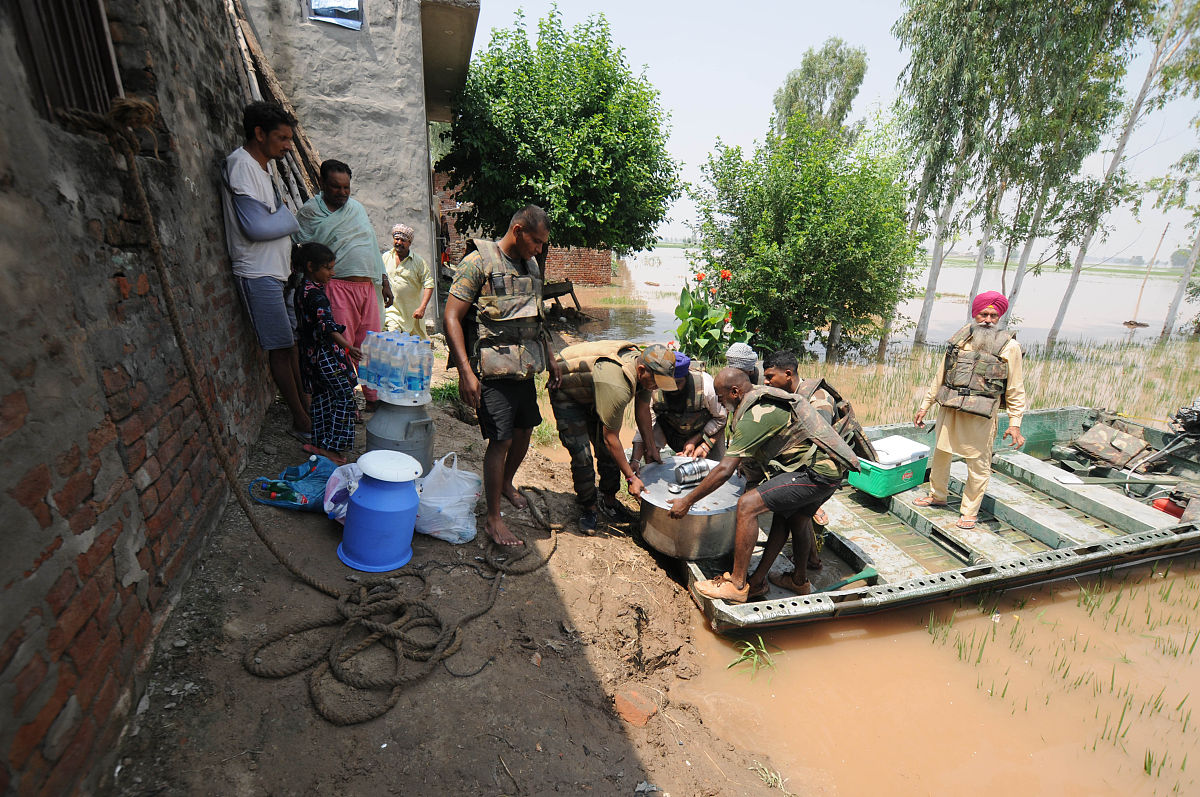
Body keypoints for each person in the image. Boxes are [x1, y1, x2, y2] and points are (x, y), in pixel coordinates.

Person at [668, 368, 860, 603]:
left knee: (747, 505)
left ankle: (737, 585)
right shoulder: (759, 394)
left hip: (815, 473)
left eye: (721, 397)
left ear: (735, 392)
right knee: (793, 519)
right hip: (830, 470)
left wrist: (687, 502)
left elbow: (724, 469)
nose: (719, 402)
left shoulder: (756, 413)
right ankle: (794, 581)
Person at [443, 206, 562, 547]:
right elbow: (452, 315)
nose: (539, 249)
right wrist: (466, 373)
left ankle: (507, 483)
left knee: (525, 431)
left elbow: (537, 318)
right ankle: (494, 519)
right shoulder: (478, 262)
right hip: (491, 371)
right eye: (536, 242)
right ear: (519, 230)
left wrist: (551, 359)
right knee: (501, 440)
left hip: (523, 367)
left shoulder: (532, 265)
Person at [220, 101, 310, 440]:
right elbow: (255, 228)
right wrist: (287, 220)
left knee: (290, 346)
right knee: (281, 347)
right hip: (255, 271)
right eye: (282, 138)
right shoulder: (241, 165)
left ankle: (305, 407)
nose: (288, 146)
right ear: (259, 134)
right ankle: (301, 419)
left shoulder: (261, 169)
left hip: (272, 271)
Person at [912, 290, 1027, 529]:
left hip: (981, 414)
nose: (988, 319)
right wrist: (926, 405)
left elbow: (1015, 387)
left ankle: (969, 511)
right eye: (983, 314)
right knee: (941, 453)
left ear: (999, 318)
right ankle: (938, 496)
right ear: (975, 314)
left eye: (993, 315)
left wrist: (1015, 423)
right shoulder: (960, 339)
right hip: (951, 408)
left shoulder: (1010, 346)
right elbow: (940, 376)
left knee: (978, 462)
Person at [550, 341, 679, 532]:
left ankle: (609, 501)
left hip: (594, 391)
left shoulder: (644, 375)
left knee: (607, 454)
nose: (657, 387)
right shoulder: (618, 384)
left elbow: (642, 411)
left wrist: (651, 449)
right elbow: (611, 439)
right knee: (582, 455)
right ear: (641, 369)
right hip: (567, 392)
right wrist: (630, 478)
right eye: (656, 382)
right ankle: (589, 508)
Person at [295, 159, 394, 408]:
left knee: (370, 346)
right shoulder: (310, 212)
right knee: (340, 348)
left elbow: (371, 245)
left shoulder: (356, 209)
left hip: (367, 288)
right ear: (322, 184)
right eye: (336, 187)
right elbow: (303, 250)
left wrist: (384, 280)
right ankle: (342, 404)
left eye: (346, 188)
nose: (342, 193)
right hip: (336, 288)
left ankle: (373, 399)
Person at [289, 243, 361, 465]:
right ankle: (333, 447)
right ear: (311, 267)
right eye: (328, 268)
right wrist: (349, 347)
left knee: (321, 397)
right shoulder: (316, 296)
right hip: (324, 356)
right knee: (344, 395)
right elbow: (327, 327)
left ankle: (319, 443)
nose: (333, 273)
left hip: (309, 356)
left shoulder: (301, 290)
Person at [630, 351, 727, 466]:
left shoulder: (706, 387)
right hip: (672, 432)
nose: (672, 388)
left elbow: (721, 419)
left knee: (715, 471)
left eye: (678, 383)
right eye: (668, 384)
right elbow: (645, 424)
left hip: (707, 434)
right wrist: (636, 459)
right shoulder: (654, 387)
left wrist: (702, 443)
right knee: (652, 458)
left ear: (686, 377)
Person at [382, 223, 434, 337]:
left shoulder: (418, 262)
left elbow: (429, 284)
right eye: (396, 239)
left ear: (409, 243)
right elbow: (379, 275)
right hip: (391, 311)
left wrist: (422, 308)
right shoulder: (385, 257)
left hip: (411, 314)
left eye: (403, 240)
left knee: (414, 346)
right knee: (393, 335)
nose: (399, 242)